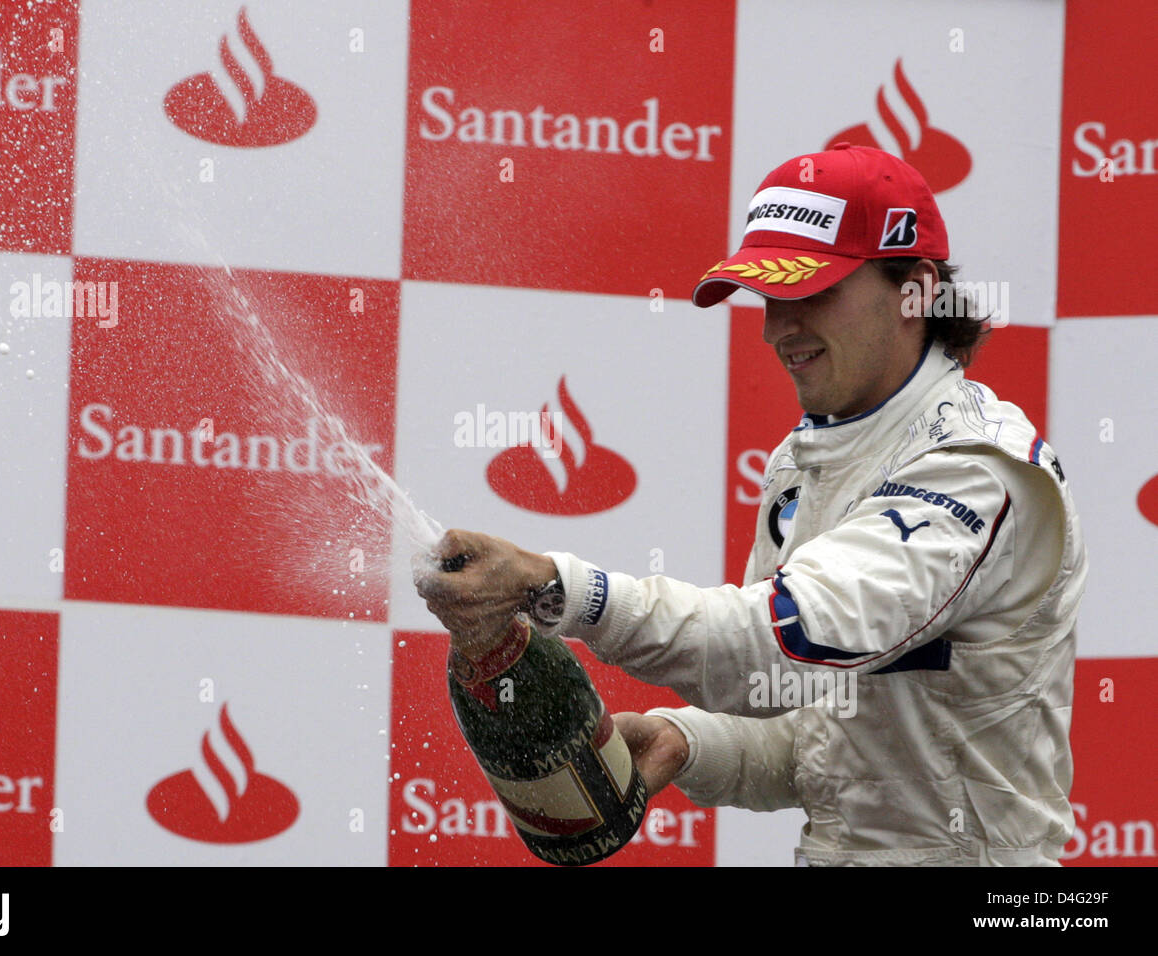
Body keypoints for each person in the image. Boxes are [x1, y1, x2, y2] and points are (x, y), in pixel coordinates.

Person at [415, 143, 1087, 866]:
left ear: (916, 292)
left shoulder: (978, 471)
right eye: (770, 298)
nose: (776, 330)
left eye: (811, 293)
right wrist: (689, 741)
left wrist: (559, 586)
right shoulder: (804, 460)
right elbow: (813, 728)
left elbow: (781, 645)